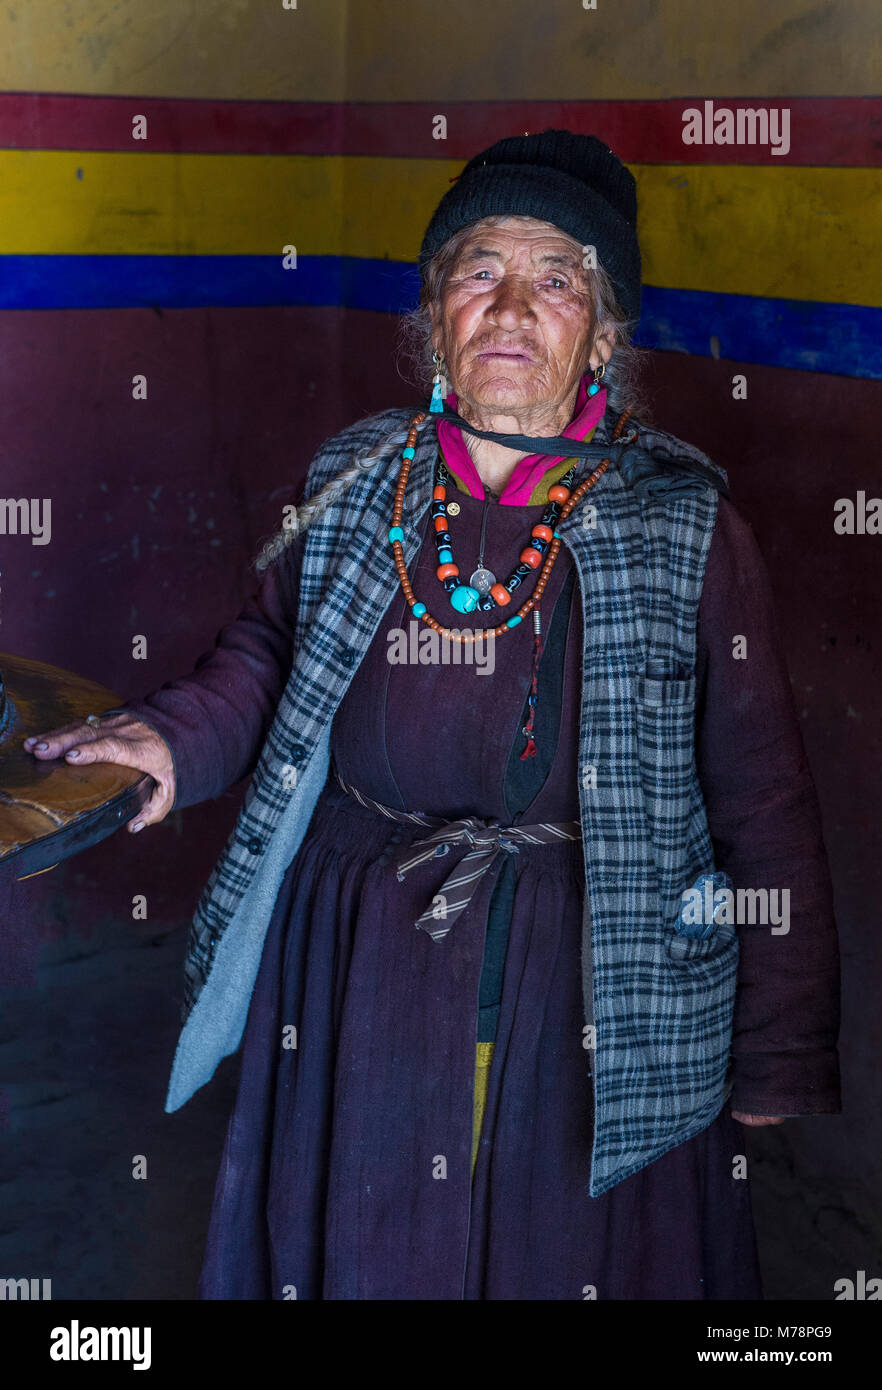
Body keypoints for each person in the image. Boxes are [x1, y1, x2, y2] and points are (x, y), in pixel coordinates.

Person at [24, 131, 841, 1300]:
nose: (511, 305)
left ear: (601, 329)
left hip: (589, 963)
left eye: (556, 278)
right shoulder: (362, 477)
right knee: (372, 1232)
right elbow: (268, 653)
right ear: (435, 312)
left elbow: (764, 798)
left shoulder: (683, 524)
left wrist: (778, 1046)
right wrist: (169, 737)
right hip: (365, 947)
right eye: (478, 269)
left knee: (563, 1250)